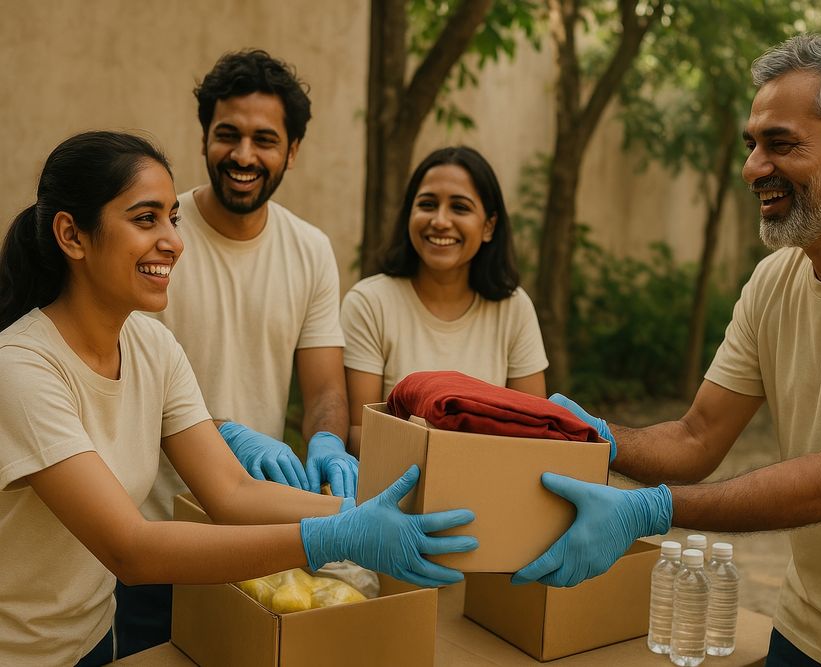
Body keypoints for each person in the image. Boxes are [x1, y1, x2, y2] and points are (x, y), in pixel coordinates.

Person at [512, 34, 821, 667]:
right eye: (751, 145)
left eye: (781, 144)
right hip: (802, 631)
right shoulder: (776, 281)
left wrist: (650, 510)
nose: (752, 169)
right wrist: (593, 438)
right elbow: (695, 439)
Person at [0, 131, 477, 666]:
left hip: (92, 644)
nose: (174, 241)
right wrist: (331, 537)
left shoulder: (151, 345)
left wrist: (357, 510)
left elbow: (229, 489)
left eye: (172, 219)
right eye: (144, 219)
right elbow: (130, 549)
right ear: (72, 234)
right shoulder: (20, 369)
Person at [116, 49, 357, 654]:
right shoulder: (157, 241)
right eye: (228, 134)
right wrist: (226, 434)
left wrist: (327, 439)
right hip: (150, 528)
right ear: (204, 139)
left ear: (292, 151)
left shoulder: (310, 250)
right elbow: (123, 385)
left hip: (255, 536)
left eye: (264, 139)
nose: (244, 155)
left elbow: (326, 388)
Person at [341, 146, 548, 452]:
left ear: (489, 226)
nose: (440, 221)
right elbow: (358, 431)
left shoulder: (514, 308)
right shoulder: (369, 303)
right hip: (393, 490)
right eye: (427, 204)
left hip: (492, 484)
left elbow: (535, 430)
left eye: (460, 208)